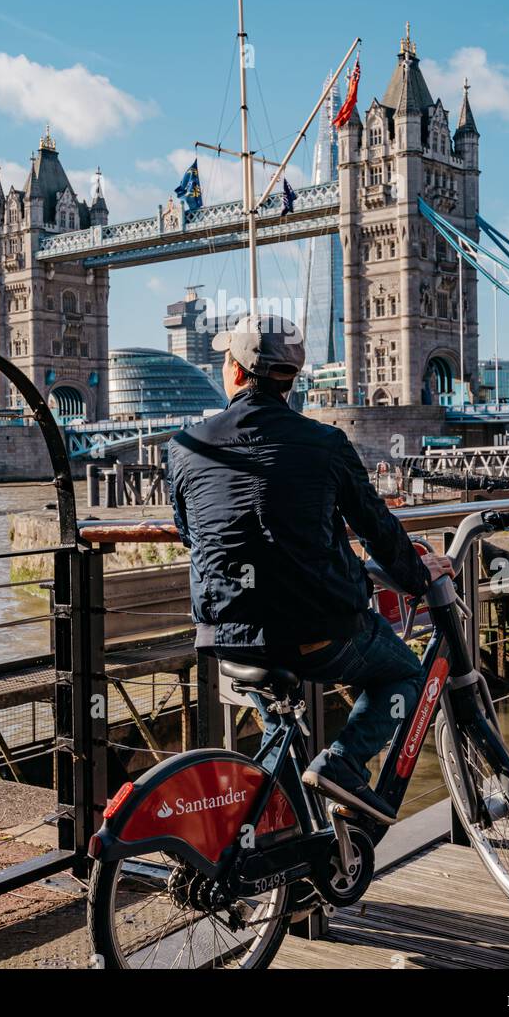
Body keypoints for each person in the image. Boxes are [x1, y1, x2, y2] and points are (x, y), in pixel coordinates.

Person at [168, 314, 454, 825]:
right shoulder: (326, 445)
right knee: (406, 674)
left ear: (233, 371)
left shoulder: (184, 448)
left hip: (225, 633)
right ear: (291, 381)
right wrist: (419, 576)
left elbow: (194, 537)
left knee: (281, 734)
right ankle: (344, 765)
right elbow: (377, 530)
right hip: (318, 634)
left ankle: (290, 858)